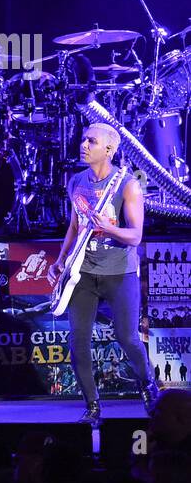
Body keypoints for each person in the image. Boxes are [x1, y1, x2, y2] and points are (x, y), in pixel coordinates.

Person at [47, 122, 159, 426]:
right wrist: (60, 260)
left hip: (120, 273)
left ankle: (147, 384)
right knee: (77, 343)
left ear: (108, 149)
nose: (83, 145)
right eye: (83, 139)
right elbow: (74, 225)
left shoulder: (128, 184)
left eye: (91, 141)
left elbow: (135, 236)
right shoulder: (76, 182)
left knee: (127, 337)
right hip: (83, 273)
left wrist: (108, 228)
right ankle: (93, 406)